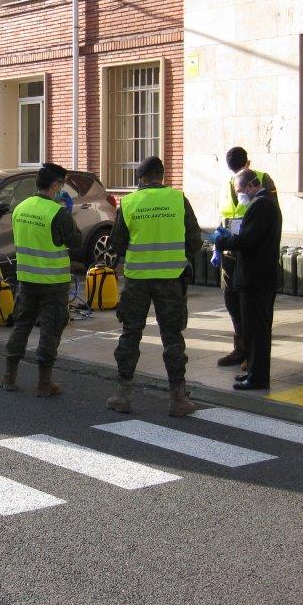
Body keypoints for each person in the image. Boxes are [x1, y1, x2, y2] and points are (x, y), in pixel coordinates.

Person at [106, 156, 203, 417]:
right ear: (162, 175)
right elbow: (195, 243)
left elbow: (116, 244)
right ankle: (177, 398)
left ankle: (123, 395)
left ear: (141, 179)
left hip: (137, 280)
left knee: (130, 334)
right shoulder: (178, 200)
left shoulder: (129, 203)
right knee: (172, 337)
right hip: (171, 280)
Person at [0, 162, 82, 397]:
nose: (62, 190)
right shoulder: (57, 213)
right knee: (51, 328)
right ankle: (44, 383)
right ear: (55, 185)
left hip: (26, 279)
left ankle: (9, 376)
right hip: (53, 282)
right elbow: (75, 242)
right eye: (61, 186)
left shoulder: (20, 209)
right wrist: (68, 214)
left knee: (22, 325)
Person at [211, 169, 283, 390]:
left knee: (258, 331)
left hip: (256, 278)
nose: (240, 195)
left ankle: (258, 377)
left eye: (241, 191)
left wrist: (224, 241)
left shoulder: (262, 205)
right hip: (259, 276)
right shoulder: (265, 204)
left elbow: (248, 241)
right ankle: (253, 372)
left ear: (251, 186)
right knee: (254, 330)